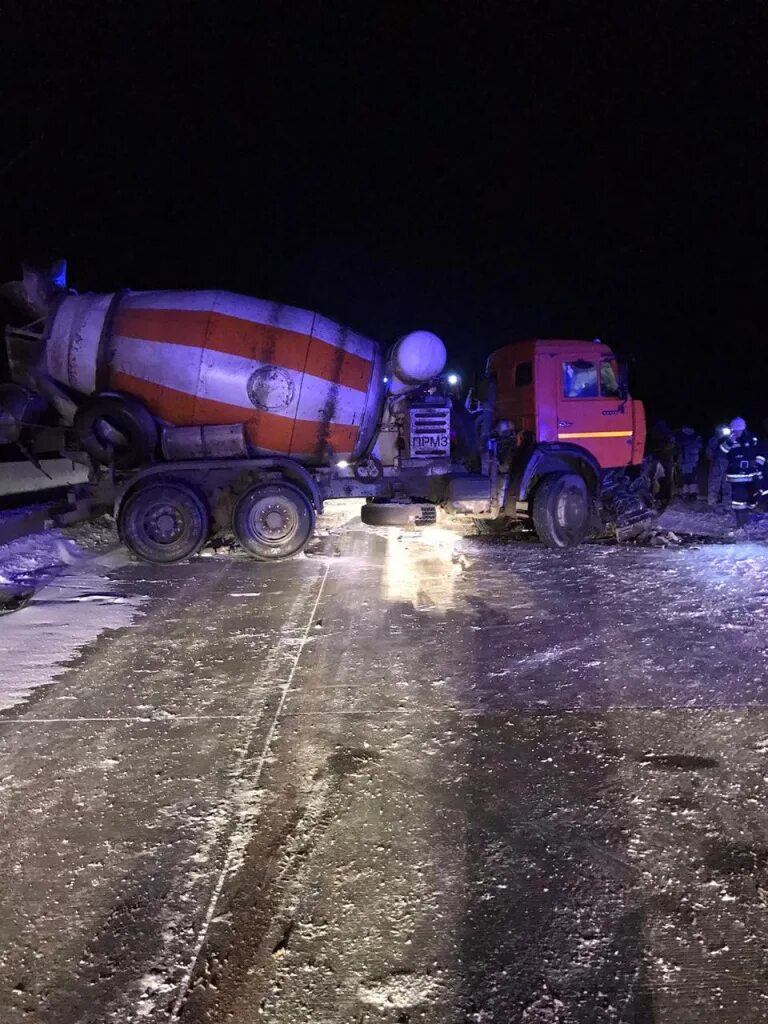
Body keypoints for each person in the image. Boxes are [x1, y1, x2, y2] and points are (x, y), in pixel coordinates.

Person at [719, 417, 765, 529]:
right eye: (735, 430)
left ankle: (747, 515)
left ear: (744, 429)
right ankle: (741, 523)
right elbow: (722, 452)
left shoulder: (752, 439)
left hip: (751, 474)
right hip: (736, 476)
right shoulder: (728, 439)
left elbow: (761, 451)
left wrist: (758, 464)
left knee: (753, 498)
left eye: (739, 430)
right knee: (738, 501)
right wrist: (730, 440)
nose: (737, 432)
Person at [706, 428, 731, 507]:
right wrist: (712, 458)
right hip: (717, 463)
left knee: (727, 483)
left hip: (728, 463)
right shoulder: (714, 439)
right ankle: (712, 502)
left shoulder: (730, 440)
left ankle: (727, 502)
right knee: (714, 482)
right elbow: (709, 451)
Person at [675, 426, 702, 502]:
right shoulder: (682, 439)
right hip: (686, 463)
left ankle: (692, 495)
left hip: (691, 463)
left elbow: (698, 447)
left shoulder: (695, 438)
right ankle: (687, 494)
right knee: (686, 479)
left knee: (691, 479)